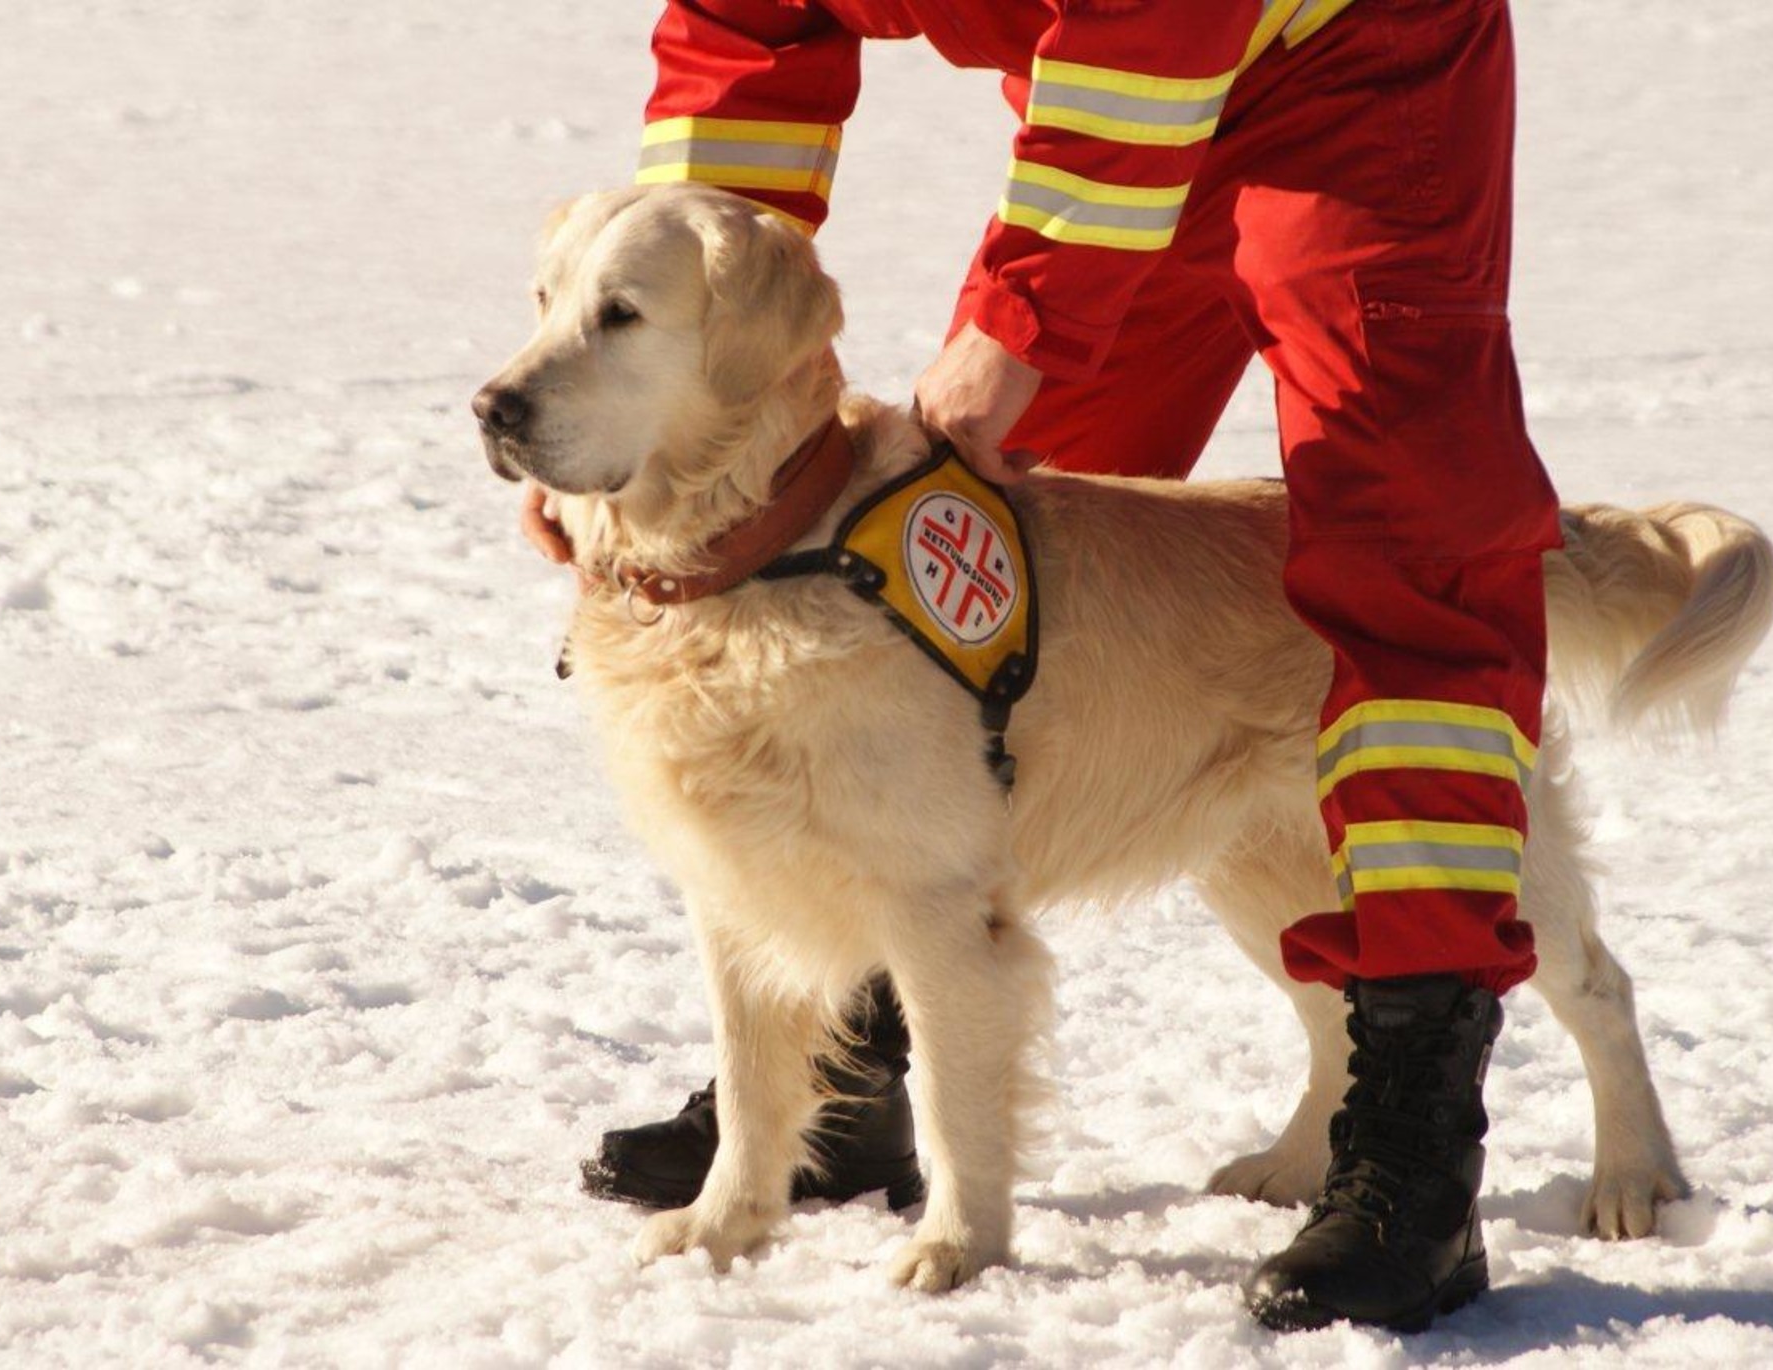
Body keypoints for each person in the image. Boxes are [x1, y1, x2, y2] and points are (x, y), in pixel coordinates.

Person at [526, 0, 1561, 1332]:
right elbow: (743, 55)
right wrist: (649, 412)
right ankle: (847, 1073)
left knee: (1405, 559)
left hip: (1357, 72)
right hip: (1113, 123)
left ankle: (1416, 1142)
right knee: (981, 547)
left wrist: (1020, 320)